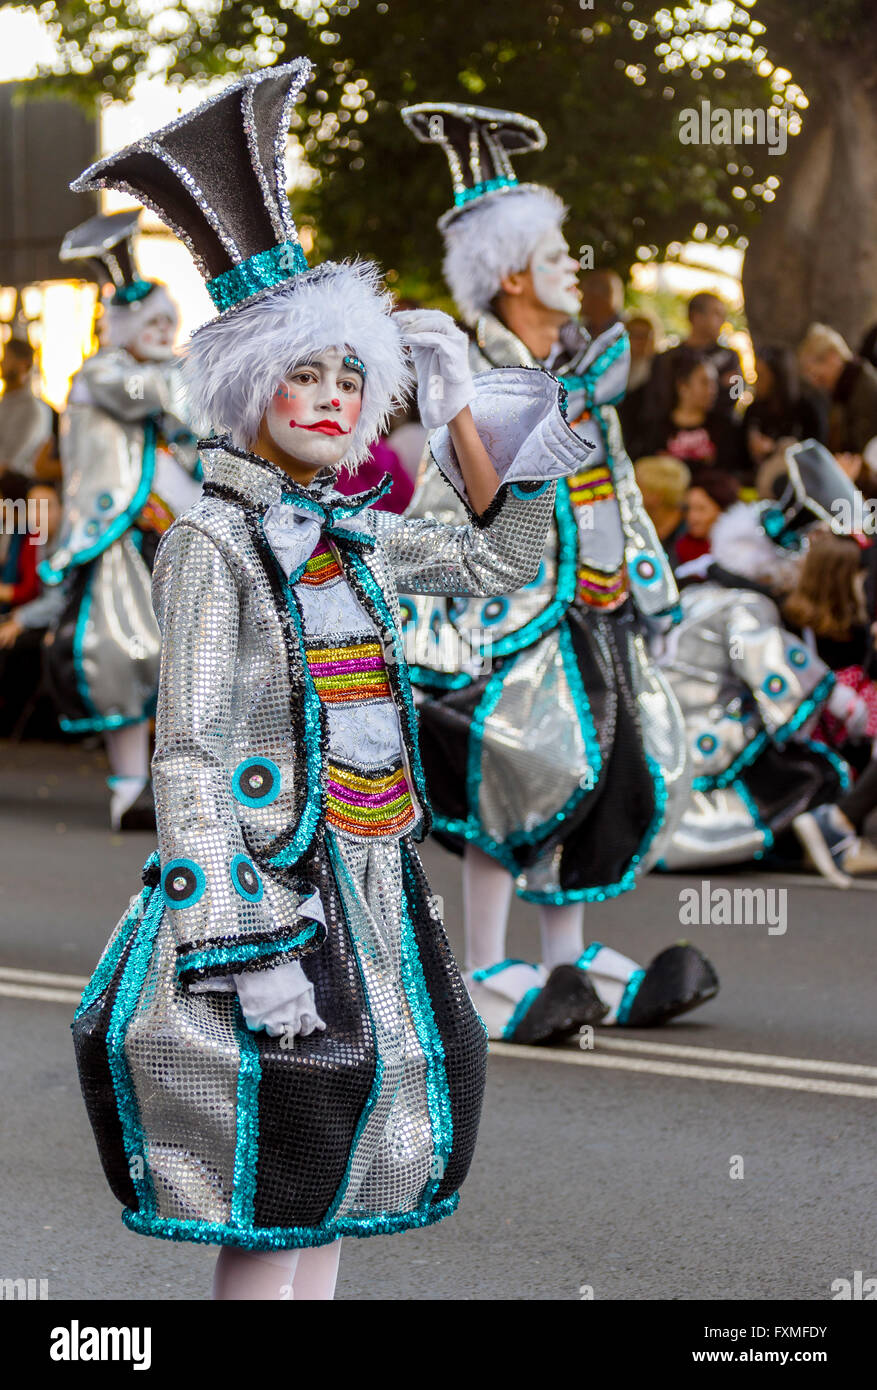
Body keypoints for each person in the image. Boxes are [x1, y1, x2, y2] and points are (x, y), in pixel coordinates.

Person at [69, 60, 595, 1301]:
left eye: (349, 379)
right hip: (269, 893)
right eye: (306, 375)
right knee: (277, 1167)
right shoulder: (212, 537)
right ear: (255, 390)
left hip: (368, 878)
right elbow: (191, 751)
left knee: (356, 1150)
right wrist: (237, 938)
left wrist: (470, 411)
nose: (330, 398)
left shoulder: (348, 529)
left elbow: (495, 556)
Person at [400, 100, 717, 1038]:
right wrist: (440, 619)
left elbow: (617, 489)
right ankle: (487, 963)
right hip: (513, 615)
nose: (573, 269)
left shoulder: (582, 370)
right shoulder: (477, 375)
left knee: (593, 774)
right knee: (514, 778)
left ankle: (564, 959)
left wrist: (649, 588)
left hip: (592, 609)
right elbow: (435, 507)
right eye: (555, 257)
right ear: (507, 275)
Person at [38, 209, 202, 831]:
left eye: (169, 322)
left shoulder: (155, 376)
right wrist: (189, 371)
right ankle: (129, 785)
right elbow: (163, 398)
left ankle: (176, 783)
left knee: (188, 657)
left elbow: (197, 431)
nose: (163, 333)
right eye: (151, 323)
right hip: (121, 538)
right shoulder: (104, 374)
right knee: (126, 654)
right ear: (126, 326)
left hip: (170, 533)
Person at [652, 441, 858, 872]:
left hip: (661, 730)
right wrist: (840, 701)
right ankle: (779, 833)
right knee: (813, 769)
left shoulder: (704, 591)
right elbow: (775, 679)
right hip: (698, 736)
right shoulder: (748, 607)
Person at [783, 531, 877, 882]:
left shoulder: (854, 628)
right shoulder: (793, 621)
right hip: (815, 734)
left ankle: (839, 825)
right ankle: (838, 823)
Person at [798, 324, 877, 491]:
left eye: (816, 373)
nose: (815, 382)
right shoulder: (841, 392)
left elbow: (863, 446)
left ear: (833, 357)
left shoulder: (864, 388)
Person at [644, 348, 745, 479]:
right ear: (683, 386)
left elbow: (728, 472)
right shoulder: (657, 427)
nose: (712, 390)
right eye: (704, 383)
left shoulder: (724, 426)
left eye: (714, 383)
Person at [648, 290, 743, 423]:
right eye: (716, 314)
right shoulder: (667, 359)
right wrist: (720, 384)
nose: (723, 321)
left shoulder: (730, 357)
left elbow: (735, 393)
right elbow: (660, 400)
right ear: (696, 317)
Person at [743, 346, 824, 476]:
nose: (755, 382)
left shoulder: (807, 408)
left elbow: (817, 452)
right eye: (754, 374)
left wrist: (774, 448)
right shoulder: (753, 410)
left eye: (761, 376)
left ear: (778, 378)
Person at [0, 338, 53, 477]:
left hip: (19, 489)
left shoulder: (35, 410)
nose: (2, 362)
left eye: (7, 357)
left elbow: (16, 461)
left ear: (24, 365)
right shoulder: (3, 405)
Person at [674, 468, 740, 575]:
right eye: (688, 509)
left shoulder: (740, 548)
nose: (692, 517)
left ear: (722, 510)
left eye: (701, 509)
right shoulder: (681, 548)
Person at [618, 308, 660, 460]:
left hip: (647, 440)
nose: (639, 341)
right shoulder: (615, 369)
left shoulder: (659, 368)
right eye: (633, 335)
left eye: (644, 336)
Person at [633, 453, 690, 565]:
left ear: (656, 497)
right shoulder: (637, 522)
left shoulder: (687, 534)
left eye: (637, 486)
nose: (630, 491)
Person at [580, 269, 625, 339]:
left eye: (584, 294)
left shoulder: (630, 332)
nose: (580, 300)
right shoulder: (581, 330)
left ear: (598, 299)